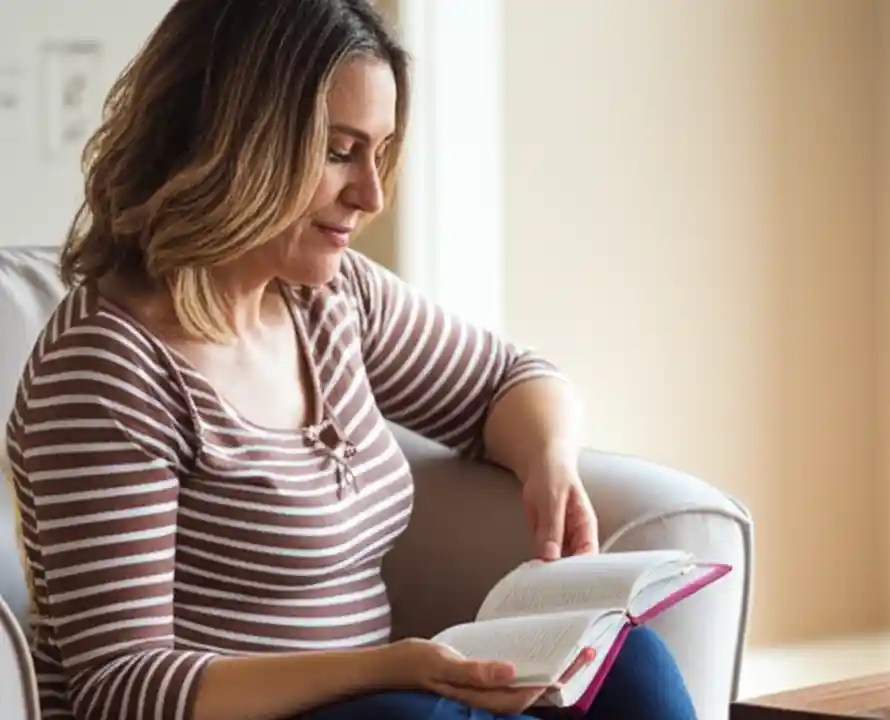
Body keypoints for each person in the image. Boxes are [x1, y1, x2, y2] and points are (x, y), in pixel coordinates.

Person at [2, 1, 697, 719]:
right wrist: (387, 668)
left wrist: (550, 464)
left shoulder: (331, 300)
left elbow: (511, 381)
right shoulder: (105, 373)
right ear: (232, 144)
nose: (372, 195)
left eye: (379, 150)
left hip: (377, 704)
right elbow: (124, 687)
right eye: (339, 151)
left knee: (629, 661)